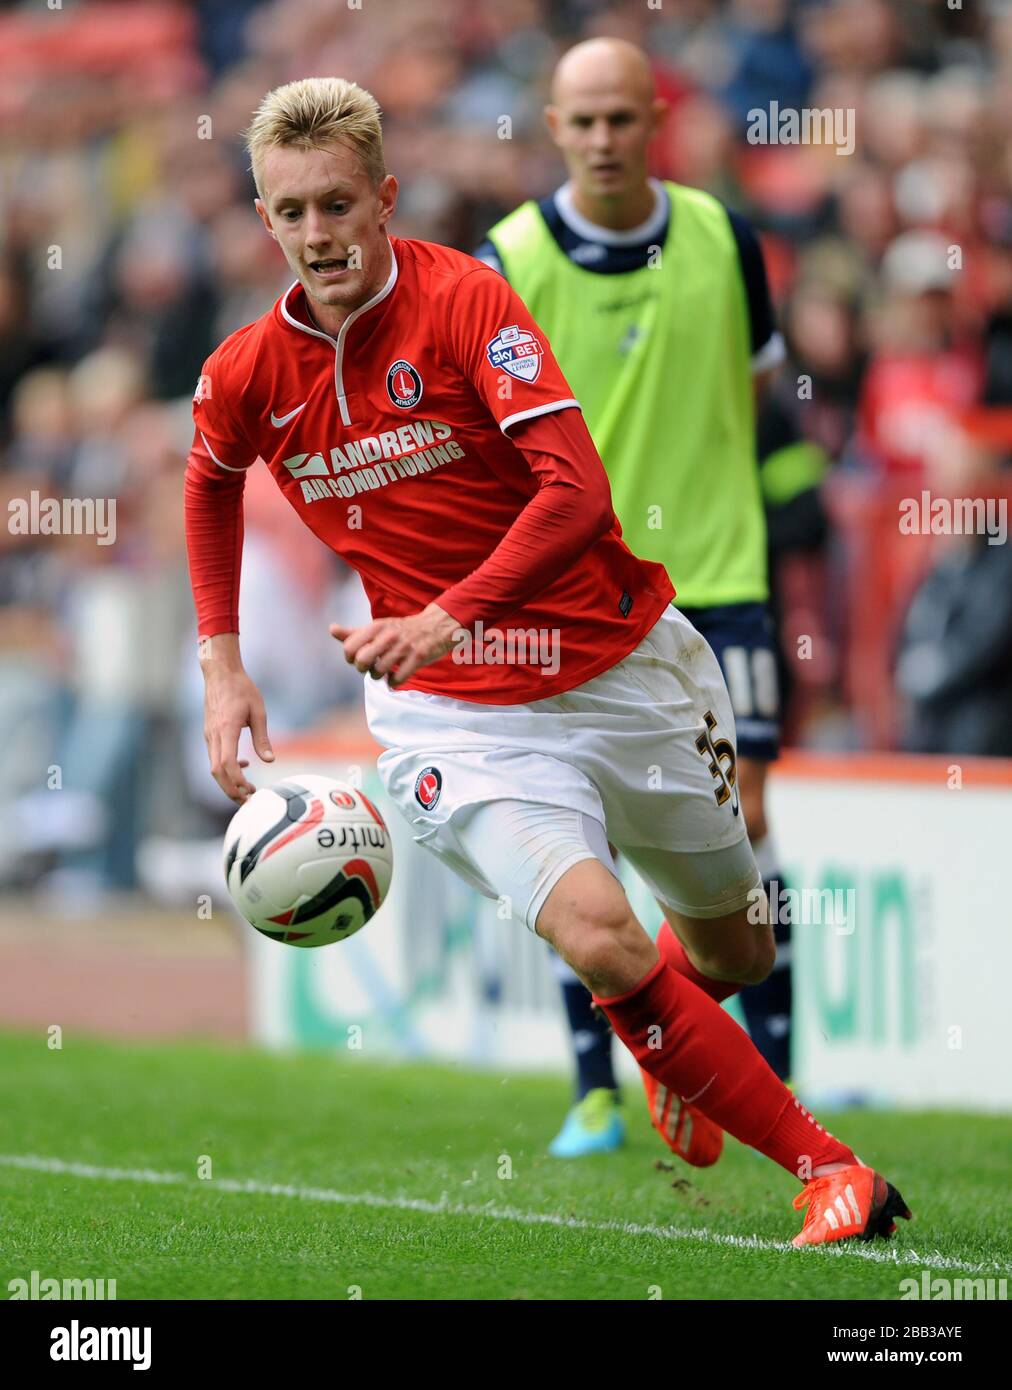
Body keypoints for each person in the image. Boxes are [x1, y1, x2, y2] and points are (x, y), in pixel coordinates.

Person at [184, 75, 910, 1247]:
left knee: (735, 947)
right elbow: (209, 481)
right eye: (292, 211)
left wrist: (447, 613)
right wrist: (223, 665)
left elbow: (577, 494)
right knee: (598, 933)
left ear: (385, 199)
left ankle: (685, 1043)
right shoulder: (245, 370)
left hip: (618, 666)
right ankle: (832, 1173)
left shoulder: (467, 301)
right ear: (264, 217)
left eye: (338, 205)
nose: (318, 234)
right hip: (454, 719)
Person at [478, 39, 794, 1159]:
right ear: (553, 127)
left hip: (720, 578)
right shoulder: (509, 258)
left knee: (745, 823)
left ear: (656, 119)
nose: (604, 139)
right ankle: (596, 1091)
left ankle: (740, 1070)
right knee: (581, 838)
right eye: (583, 121)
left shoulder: (725, 237)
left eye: (622, 117)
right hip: (578, 593)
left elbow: (759, 385)